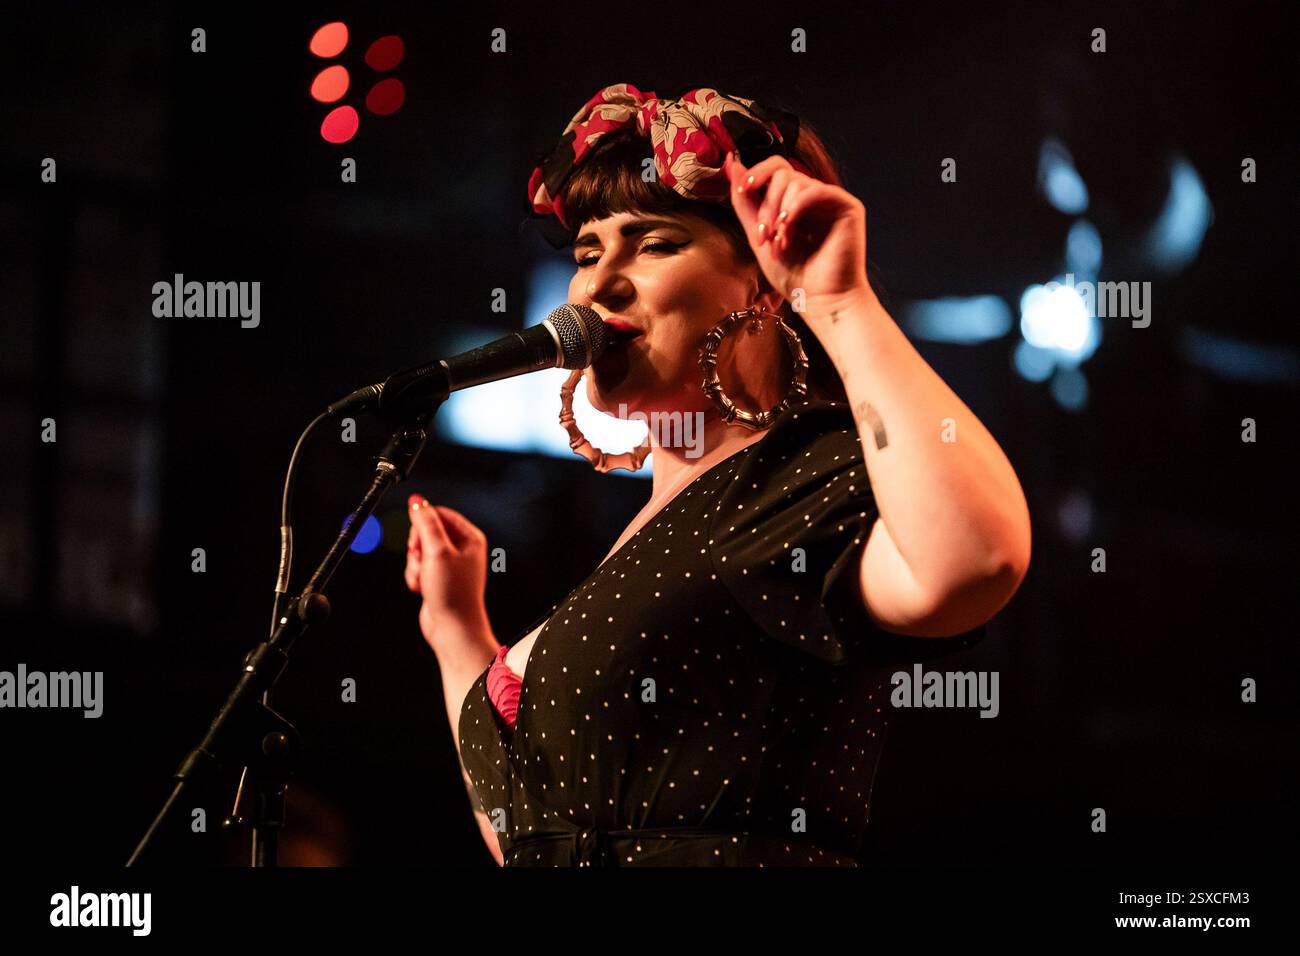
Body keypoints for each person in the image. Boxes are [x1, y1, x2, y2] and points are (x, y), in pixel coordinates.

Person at [404, 84, 1031, 866]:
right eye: (589, 253)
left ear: (764, 281)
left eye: (654, 244)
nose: (597, 284)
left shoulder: (792, 479)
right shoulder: (654, 533)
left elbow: (975, 560)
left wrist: (837, 299)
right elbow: (528, 834)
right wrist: (456, 630)